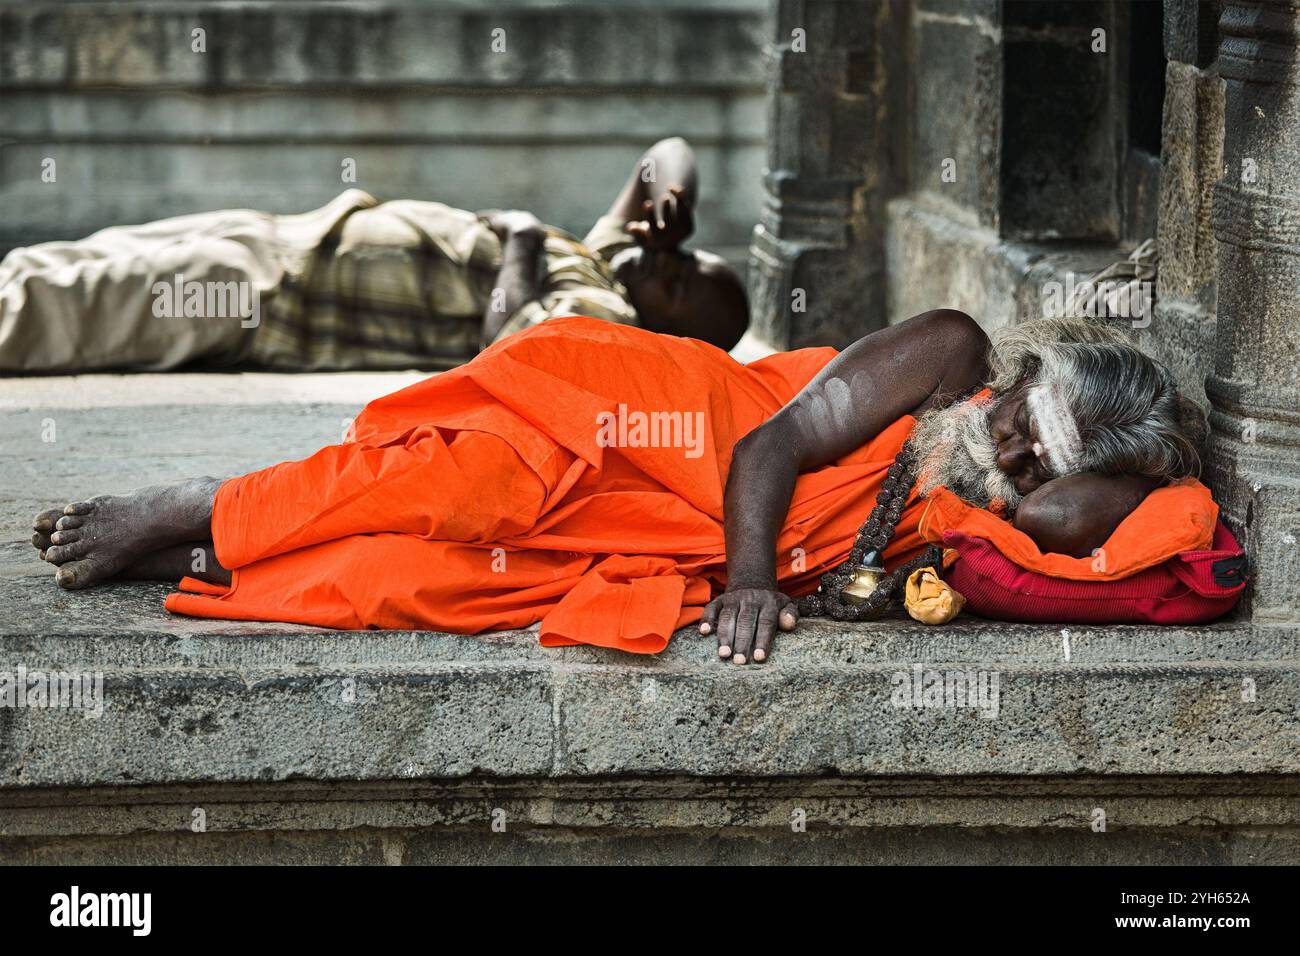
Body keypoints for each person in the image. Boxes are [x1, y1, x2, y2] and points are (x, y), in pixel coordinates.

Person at [28, 311, 1205, 662]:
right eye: (1011, 428)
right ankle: (204, 501)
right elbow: (770, 450)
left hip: (669, 528)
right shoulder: (947, 354)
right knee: (464, 490)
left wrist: (1101, 464)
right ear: (1015, 378)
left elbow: (1079, 517)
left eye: (1027, 469)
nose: (1001, 464)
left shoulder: (1006, 493)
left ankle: (235, 559)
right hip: (632, 422)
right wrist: (749, 580)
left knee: (442, 584)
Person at [0, 137, 747, 373]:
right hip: (292, 235)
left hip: (274, 297)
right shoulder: (608, 256)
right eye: (686, 256)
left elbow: (504, 345)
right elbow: (664, 153)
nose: (665, 261)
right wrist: (677, 197)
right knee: (58, 263)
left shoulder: (603, 313)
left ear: (670, 334)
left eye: (680, 283)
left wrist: (521, 235)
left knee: (67, 305)